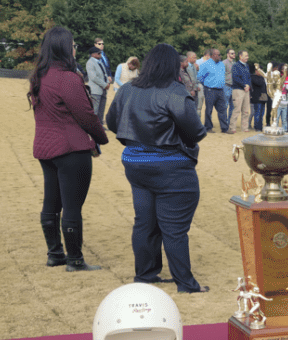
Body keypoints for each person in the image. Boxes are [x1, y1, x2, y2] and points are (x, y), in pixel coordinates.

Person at [106, 43, 209, 293]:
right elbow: (196, 131)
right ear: (173, 66)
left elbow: (111, 121)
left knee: (145, 222)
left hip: (136, 164)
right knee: (173, 228)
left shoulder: (128, 89)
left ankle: (146, 274)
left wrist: (134, 143)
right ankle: (185, 283)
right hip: (171, 167)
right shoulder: (175, 91)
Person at [29, 26, 109, 272]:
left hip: (45, 147)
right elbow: (85, 114)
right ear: (64, 48)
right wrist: (100, 138)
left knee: (51, 203)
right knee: (72, 206)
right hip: (71, 148)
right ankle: (74, 259)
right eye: (72, 45)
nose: (75, 49)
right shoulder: (68, 78)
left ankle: (55, 253)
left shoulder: (38, 76)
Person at [197, 48, 229, 133]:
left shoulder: (221, 64)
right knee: (209, 109)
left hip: (220, 90)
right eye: (218, 55)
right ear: (212, 55)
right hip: (210, 90)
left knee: (222, 109)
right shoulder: (205, 64)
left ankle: (224, 128)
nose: (220, 56)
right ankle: (208, 127)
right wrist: (207, 84)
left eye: (220, 54)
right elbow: (200, 77)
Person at [228, 50, 252, 133]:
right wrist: (244, 85)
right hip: (238, 90)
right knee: (237, 109)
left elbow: (249, 77)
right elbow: (235, 77)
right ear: (240, 56)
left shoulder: (247, 66)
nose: (247, 57)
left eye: (247, 56)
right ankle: (232, 127)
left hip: (246, 90)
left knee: (246, 110)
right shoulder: (236, 65)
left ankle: (245, 127)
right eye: (246, 56)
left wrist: (248, 85)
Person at [84, 45, 109, 121]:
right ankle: (94, 126)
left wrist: (107, 83)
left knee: (102, 109)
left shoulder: (100, 62)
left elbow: (105, 74)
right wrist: (105, 85)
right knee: (95, 110)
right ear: (93, 54)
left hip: (103, 89)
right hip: (95, 90)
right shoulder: (90, 63)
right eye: (99, 53)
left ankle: (100, 124)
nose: (100, 55)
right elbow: (93, 77)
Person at [250, 63, 269, 132]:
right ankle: (257, 127)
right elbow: (259, 83)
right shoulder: (253, 77)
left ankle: (260, 126)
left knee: (262, 113)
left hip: (263, 98)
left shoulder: (263, 77)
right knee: (257, 113)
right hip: (256, 98)